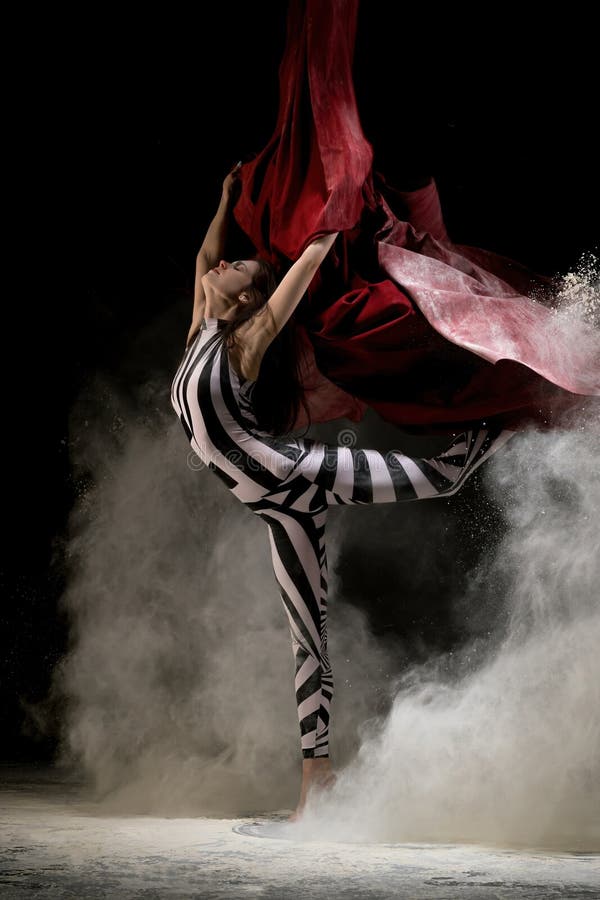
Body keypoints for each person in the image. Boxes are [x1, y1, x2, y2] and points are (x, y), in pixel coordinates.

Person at [171, 162, 516, 821]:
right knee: (308, 641)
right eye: (228, 264)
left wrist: (335, 212)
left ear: (246, 301)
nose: (225, 265)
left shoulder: (245, 342)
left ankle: (512, 410)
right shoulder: (200, 333)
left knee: (441, 476)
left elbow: (304, 268)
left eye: (238, 269)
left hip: (297, 473)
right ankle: (316, 784)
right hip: (275, 509)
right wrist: (223, 198)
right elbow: (203, 256)